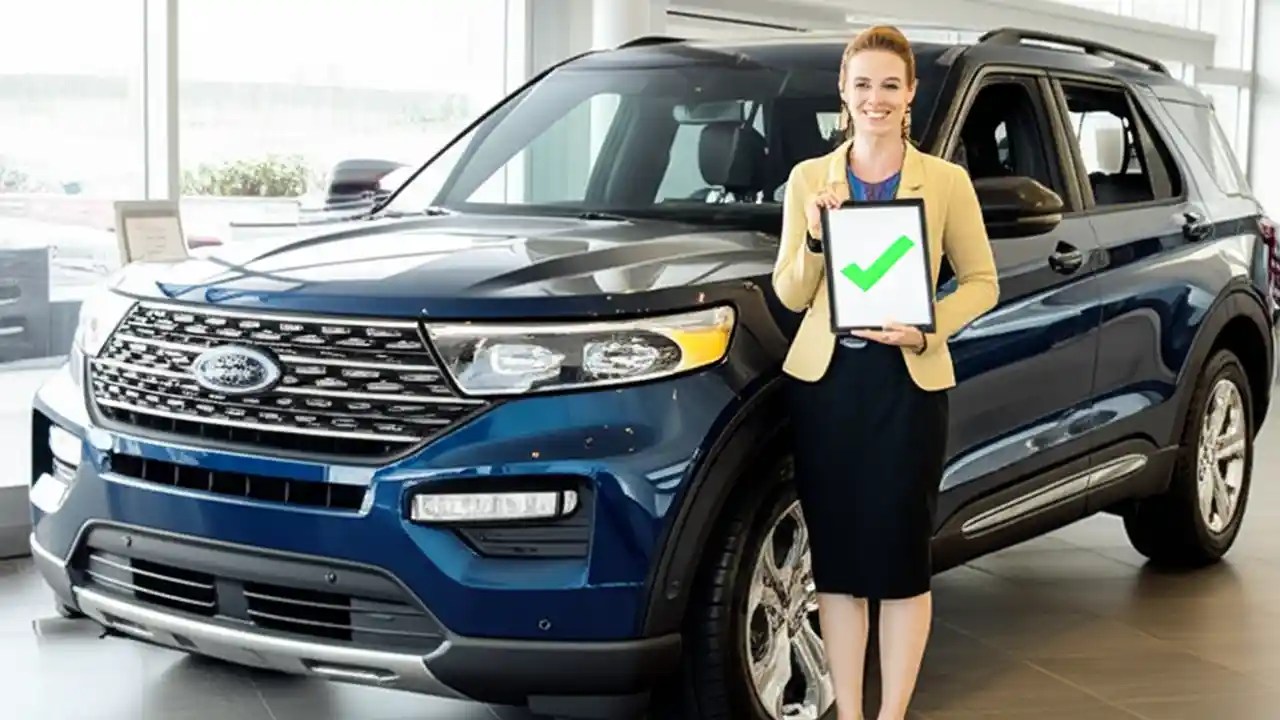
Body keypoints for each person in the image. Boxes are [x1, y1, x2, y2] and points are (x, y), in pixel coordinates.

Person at [771, 24, 999, 720]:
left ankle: (890, 714)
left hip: (908, 384)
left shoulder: (946, 182)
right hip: (828, 387)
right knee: (837, 564)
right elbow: (788, 291)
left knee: (900, 563)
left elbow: (982, 283)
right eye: (862, 84)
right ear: (843, 92)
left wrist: (925, 324)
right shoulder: (810, 180)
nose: (876, 98)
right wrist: (813, 234)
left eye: (890, 86)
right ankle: (849, 712)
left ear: (911, 96)